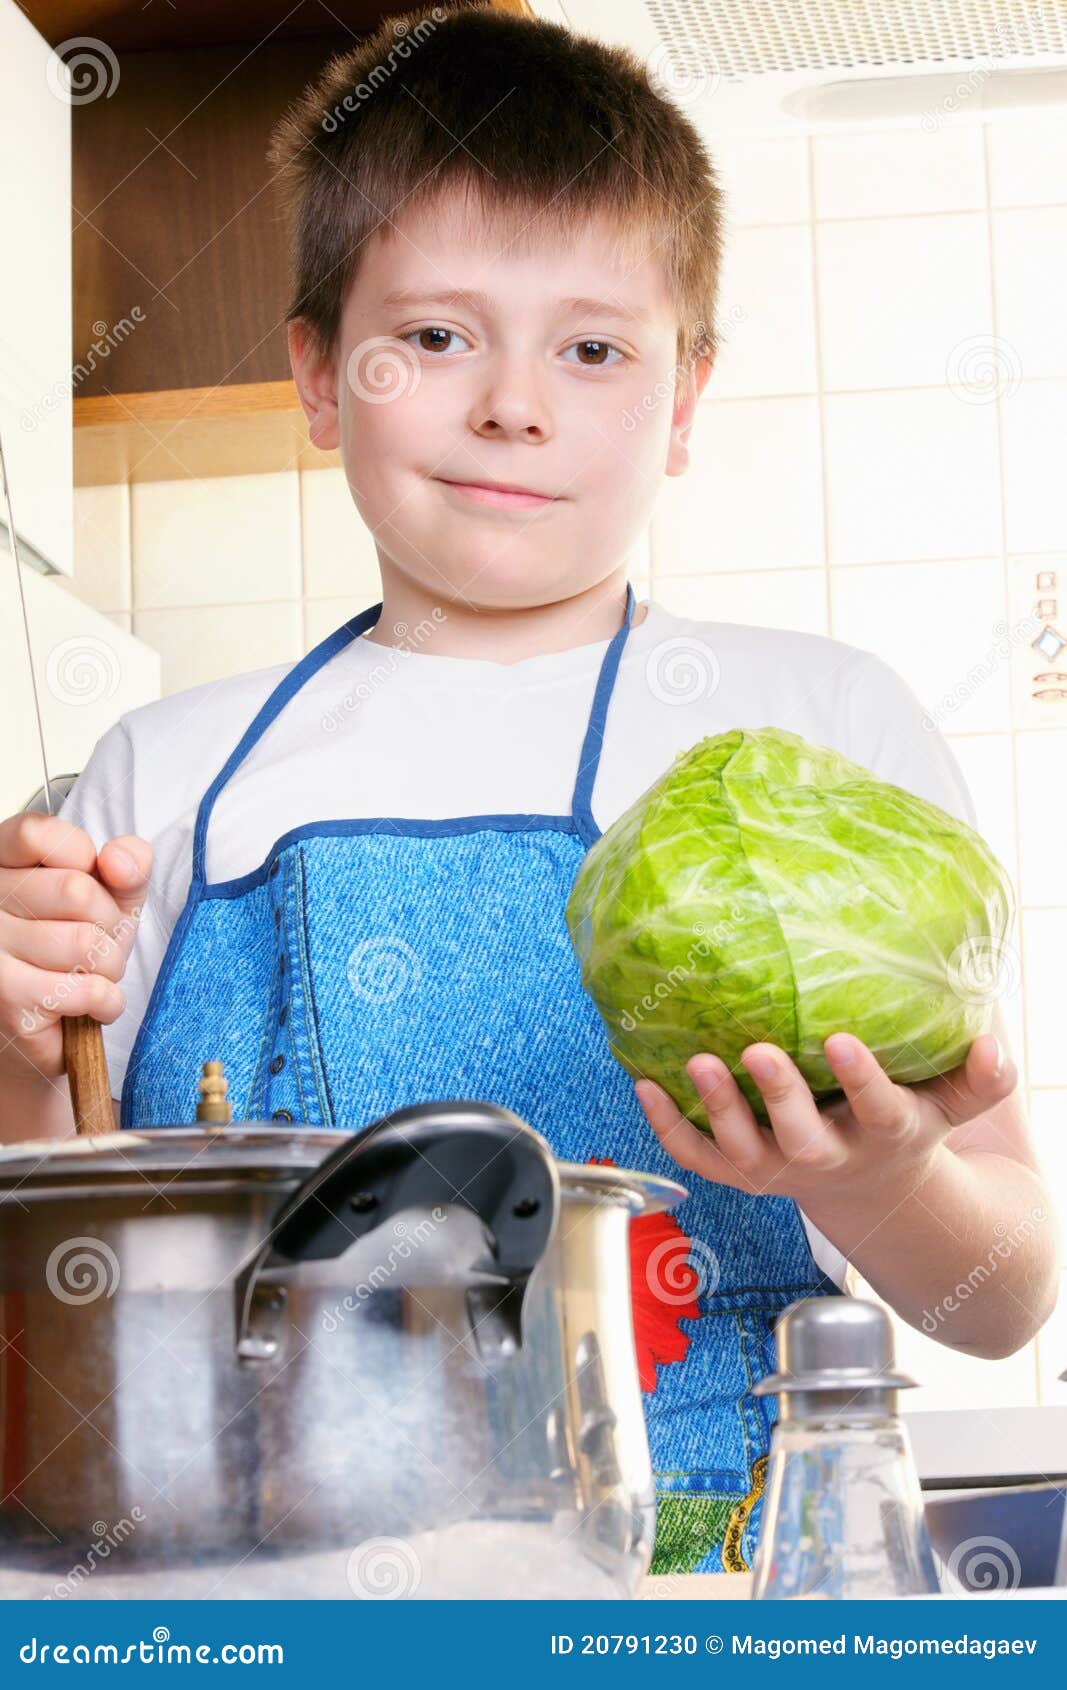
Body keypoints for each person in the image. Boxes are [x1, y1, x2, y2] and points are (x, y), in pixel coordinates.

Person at [0, 5, 1055, 1574]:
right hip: (270, 1614)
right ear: (318, 373)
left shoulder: (818, 733)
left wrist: (889, 1174)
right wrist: (18, 1048)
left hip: (697, 1601)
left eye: (594, 348)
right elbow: (65, 1286)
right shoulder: (165, 774)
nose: (514, 402)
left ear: (684, 399)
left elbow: (1003, 1296)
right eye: (434, 338)